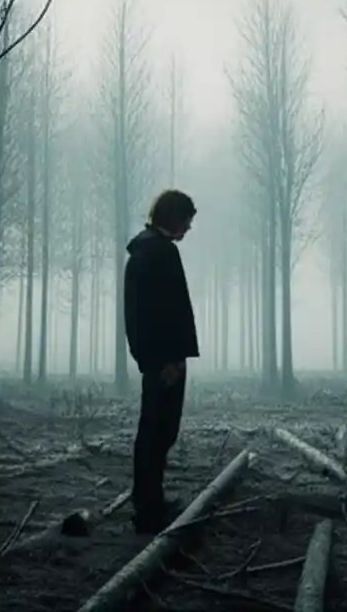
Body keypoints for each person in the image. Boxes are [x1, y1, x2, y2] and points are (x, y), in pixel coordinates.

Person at [123, 189, 199, 534]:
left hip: (159, 359)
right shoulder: (159, 253)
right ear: (174, 217)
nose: (189, 228)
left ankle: (149, 502)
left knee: (155, 431)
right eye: (186, 219)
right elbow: (163, 314)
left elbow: (143, 315)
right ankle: (149, 510)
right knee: (159, 431)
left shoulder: (146, 251)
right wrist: (168, 360)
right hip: (164, 362)